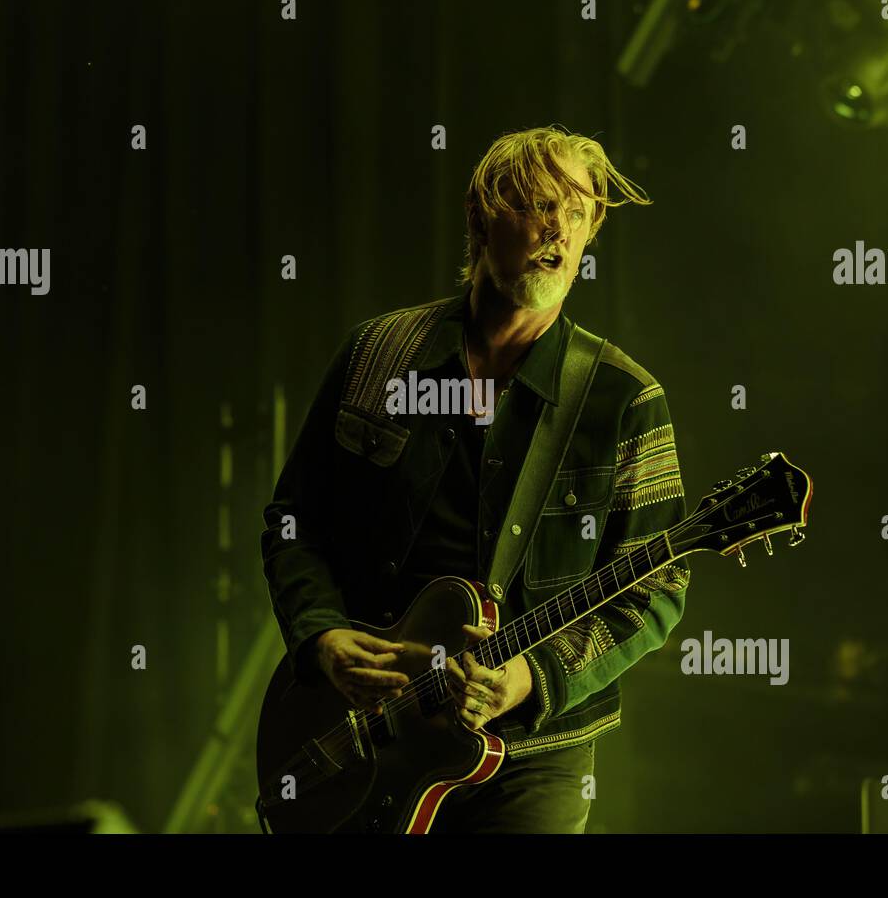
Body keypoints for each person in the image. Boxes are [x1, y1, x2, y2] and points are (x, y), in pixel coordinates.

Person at [260, 125, 691, 833]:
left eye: (576, 211)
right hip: (367, 730)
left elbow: (657, 590)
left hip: (531, 756)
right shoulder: (377, 356)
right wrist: (321, 637)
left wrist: (528, 678)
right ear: (479, 216)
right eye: (535, 205)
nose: (558, 229)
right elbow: (293, 520)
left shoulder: (624, 400)